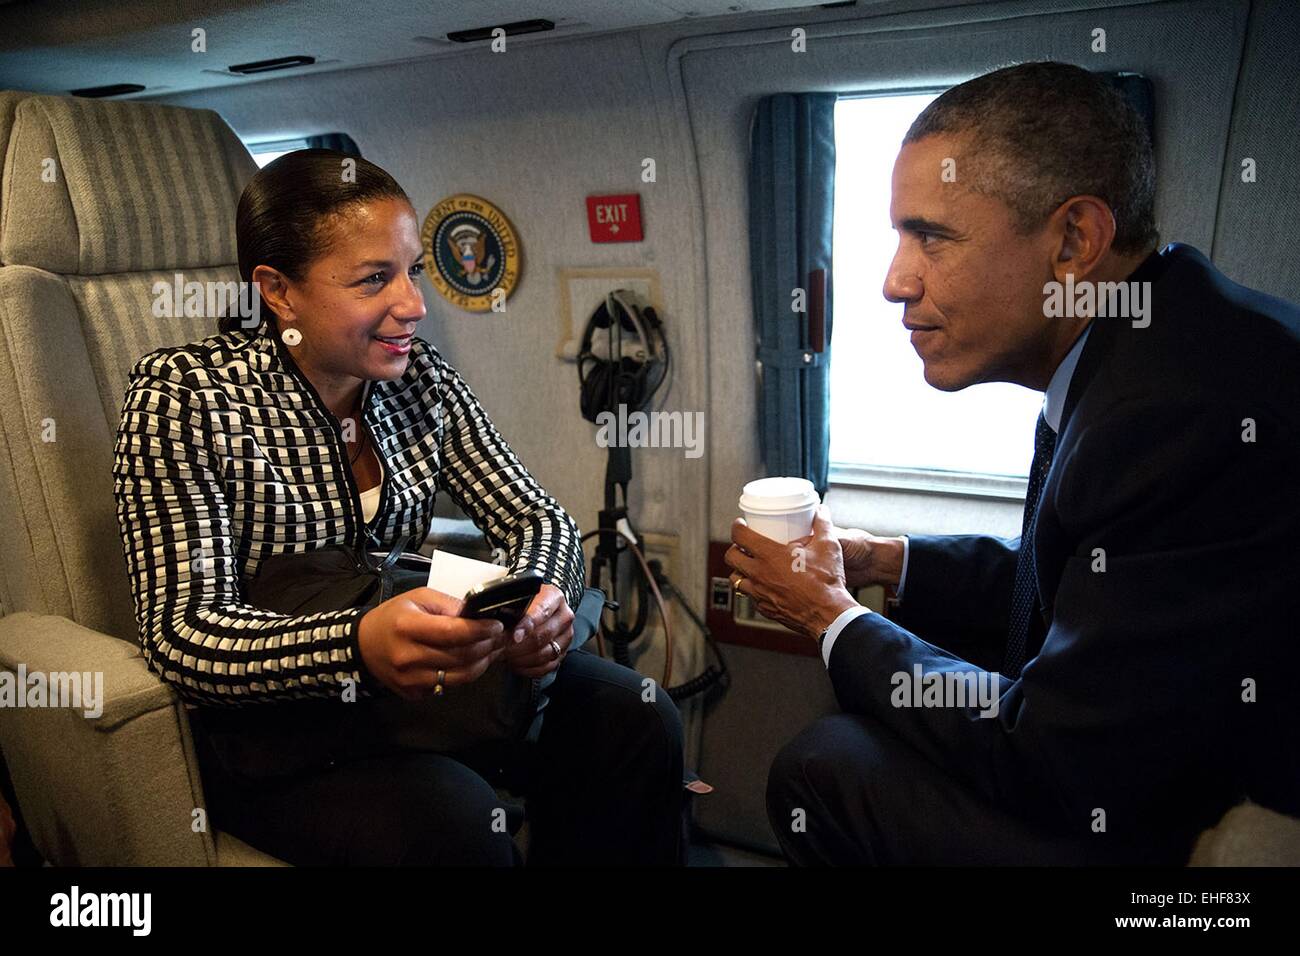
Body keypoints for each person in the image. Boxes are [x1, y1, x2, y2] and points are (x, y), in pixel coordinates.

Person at [730, 62, 1300, 864]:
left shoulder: (1178, 416)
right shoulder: (1159, 339)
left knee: (825, 766)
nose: (895, 281)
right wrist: (883, 561)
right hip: (1172, 760)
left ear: (1073, 240)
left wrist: (832, 615)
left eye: (931, 236)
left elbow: (1062, 765)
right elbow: (1096, 585)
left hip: (1210, 825)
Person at [112, 149, 684, 866]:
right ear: (278, 292)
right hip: (278, 730)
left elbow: (537, 517)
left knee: (639, 719)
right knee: (457, 822)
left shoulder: (422, 384)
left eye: (412, 270)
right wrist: (355, 645)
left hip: (417, 699)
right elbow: (182, 635)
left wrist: (538, 601)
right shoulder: (184, 399)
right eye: (374, 279)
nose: (413, 304)